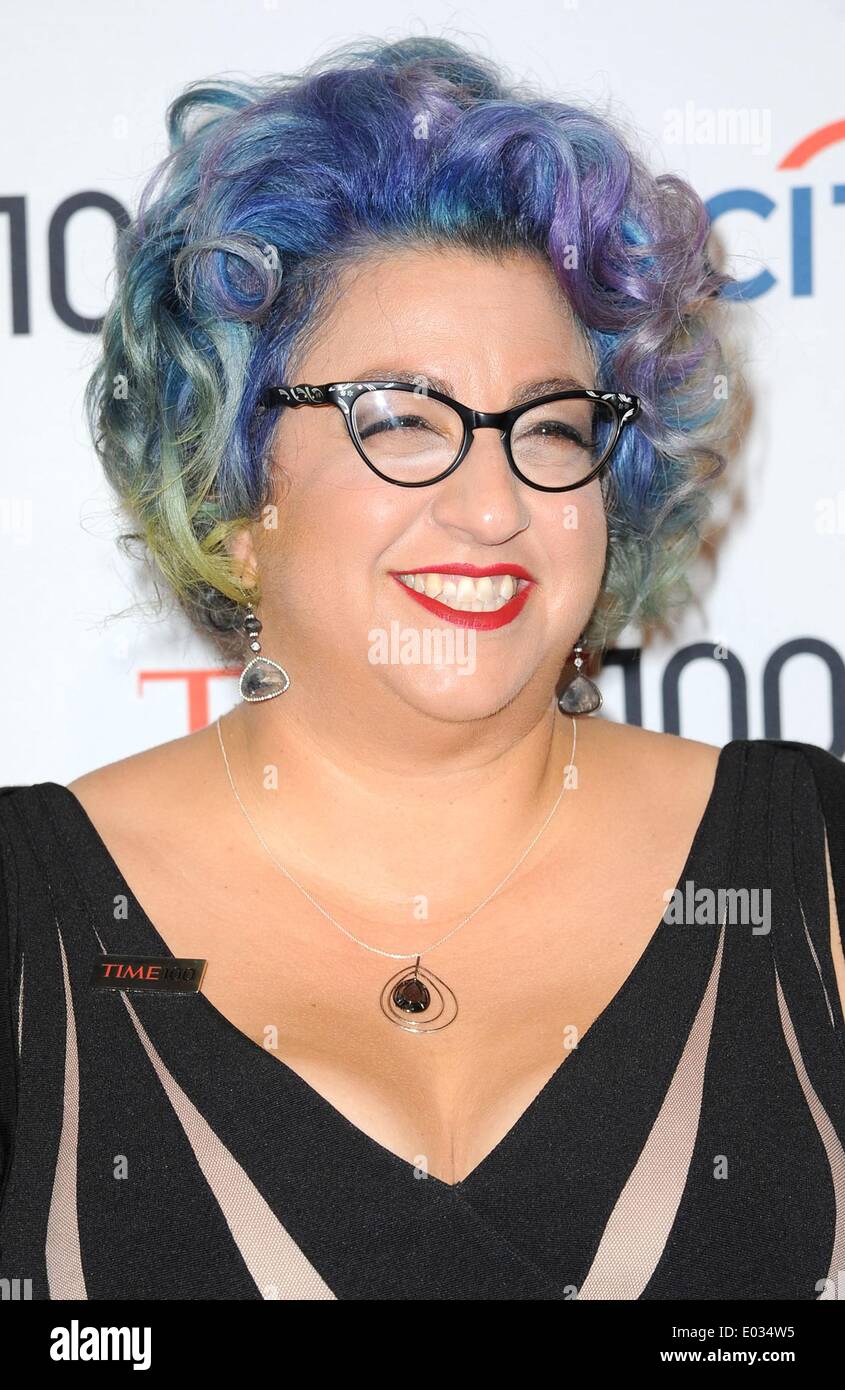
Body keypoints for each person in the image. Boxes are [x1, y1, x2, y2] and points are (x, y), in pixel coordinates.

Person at [1, 34, 843, 1303]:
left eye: (551, 428)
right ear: (232, 489)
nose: (493, 504)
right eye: (400, 420)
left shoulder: (809, 870)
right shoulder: (31, 915)